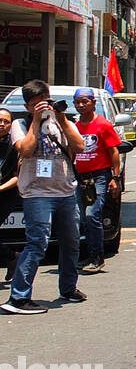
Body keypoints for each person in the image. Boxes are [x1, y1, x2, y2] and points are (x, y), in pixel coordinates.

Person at [3, 80, 85, 315]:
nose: (43, 107)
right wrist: (37, 121)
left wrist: (61, 119)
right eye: (36, 105)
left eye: (45, 102)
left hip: (66, 191)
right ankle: (18, 298)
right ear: (28, 106)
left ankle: (68, 288)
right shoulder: (21, 123)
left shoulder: (62, 121)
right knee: (37, 243)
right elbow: (26, 150)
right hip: (37, 193)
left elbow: (79, 146)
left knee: (71, 242)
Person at [72, 87, 121, 275]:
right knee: (82, 217)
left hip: (100, 176)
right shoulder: (75, 127)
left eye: (85, 101)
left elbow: (114, 152)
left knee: (93, 214)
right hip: (81, 178)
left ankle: (97, 258)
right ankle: (87, 255)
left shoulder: (103, 125)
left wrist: (115, 178)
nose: (81, 105)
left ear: (93, 103)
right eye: (77, 102)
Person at [0, 107, 19, 283]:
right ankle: (12, 257)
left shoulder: (14, 145)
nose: (2, 124)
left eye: (6, 121)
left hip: (5, 195)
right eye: (0, 120)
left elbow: (16, 178)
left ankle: (13, 258)